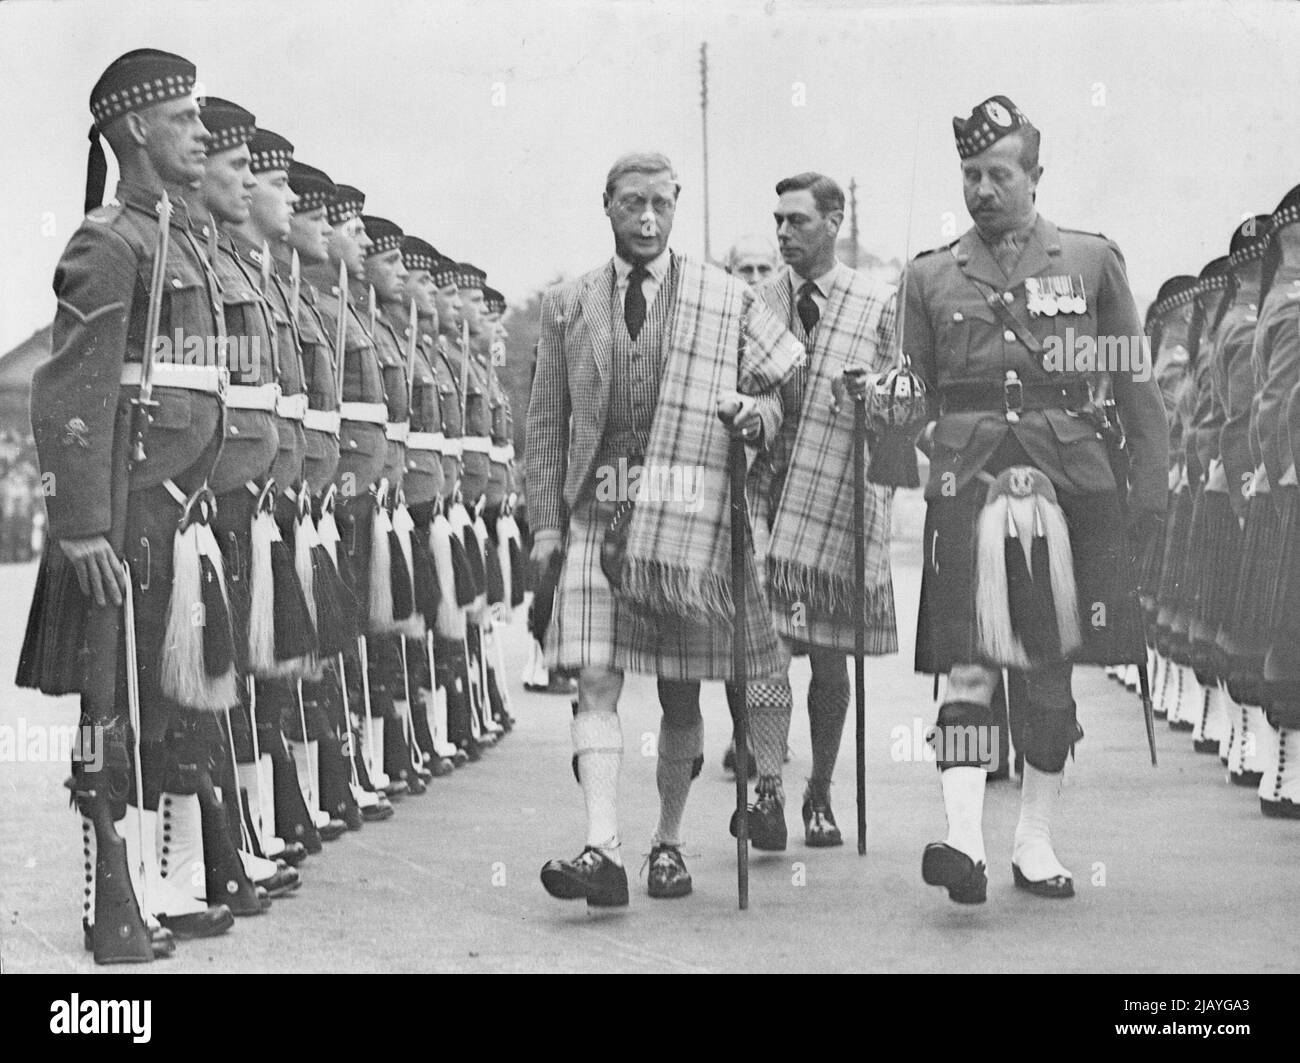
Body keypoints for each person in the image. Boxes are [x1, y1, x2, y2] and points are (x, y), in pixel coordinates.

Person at [904, 97, 1167, 904]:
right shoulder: (929, 275)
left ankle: (1035, 840)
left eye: (999, 174)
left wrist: (1149, 493)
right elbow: (912, 391)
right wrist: (887, 407)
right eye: (971, 175)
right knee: (969, 666)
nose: (982, 190)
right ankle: (963, 840)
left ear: (1034, 176)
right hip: (968, 485)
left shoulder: (1090, 262)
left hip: (1072, 483)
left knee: (1051, 673)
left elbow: (1133, 381)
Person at [527, 151, 803, 906]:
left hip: (685, 511)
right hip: (598, 511)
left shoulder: (724, 299)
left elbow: (780, 392)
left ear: (676, 206)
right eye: (631, 205)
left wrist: (756, 416)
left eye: (660, 205)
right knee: (594, 679)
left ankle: (670, 844)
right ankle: (602, 848)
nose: (647, 220)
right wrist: (546, 528)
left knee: (682, 694)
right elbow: (546, 425)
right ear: (606, 204)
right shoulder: (569, 304)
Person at [17, 49, 236, 962]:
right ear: (138, 129)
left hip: (174, 516)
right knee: (114, 717)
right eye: (184, 117)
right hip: (128, 516)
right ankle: (109, 900)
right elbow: (69, 395)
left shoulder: (171, 238)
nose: (200, 132)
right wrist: (78, 527)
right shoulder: (111, 242)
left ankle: (149, 887)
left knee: (162, 708)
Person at [732, 173, 899, 851]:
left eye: (797, 220)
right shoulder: (755, 302)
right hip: (766, 497)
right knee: (765, 656)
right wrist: (749, 418)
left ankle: (821, 791)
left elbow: (906, 403)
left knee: (831, 661)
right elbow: (742, 386)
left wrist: (878, 394)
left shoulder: (877, 301)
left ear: (833, 221)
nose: (782, 233)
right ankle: (767, 787)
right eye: (776, 220)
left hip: (840, 497)